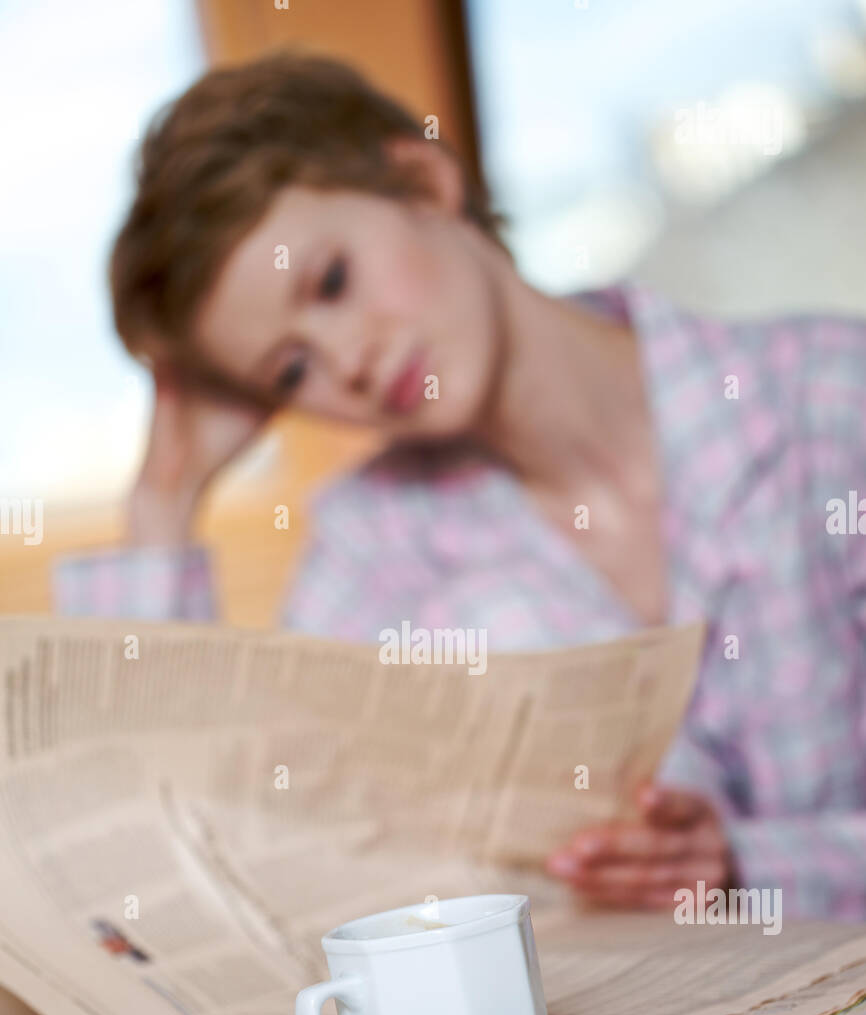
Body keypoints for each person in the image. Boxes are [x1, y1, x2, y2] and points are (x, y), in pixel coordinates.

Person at [56, 50, 866, 921]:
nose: (349, 363)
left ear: (424, 179)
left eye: (332, 282)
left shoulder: (827, 395)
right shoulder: (376, 551)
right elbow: (193, 874)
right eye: (291, 371)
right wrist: (163, 500)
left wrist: (753, 863)